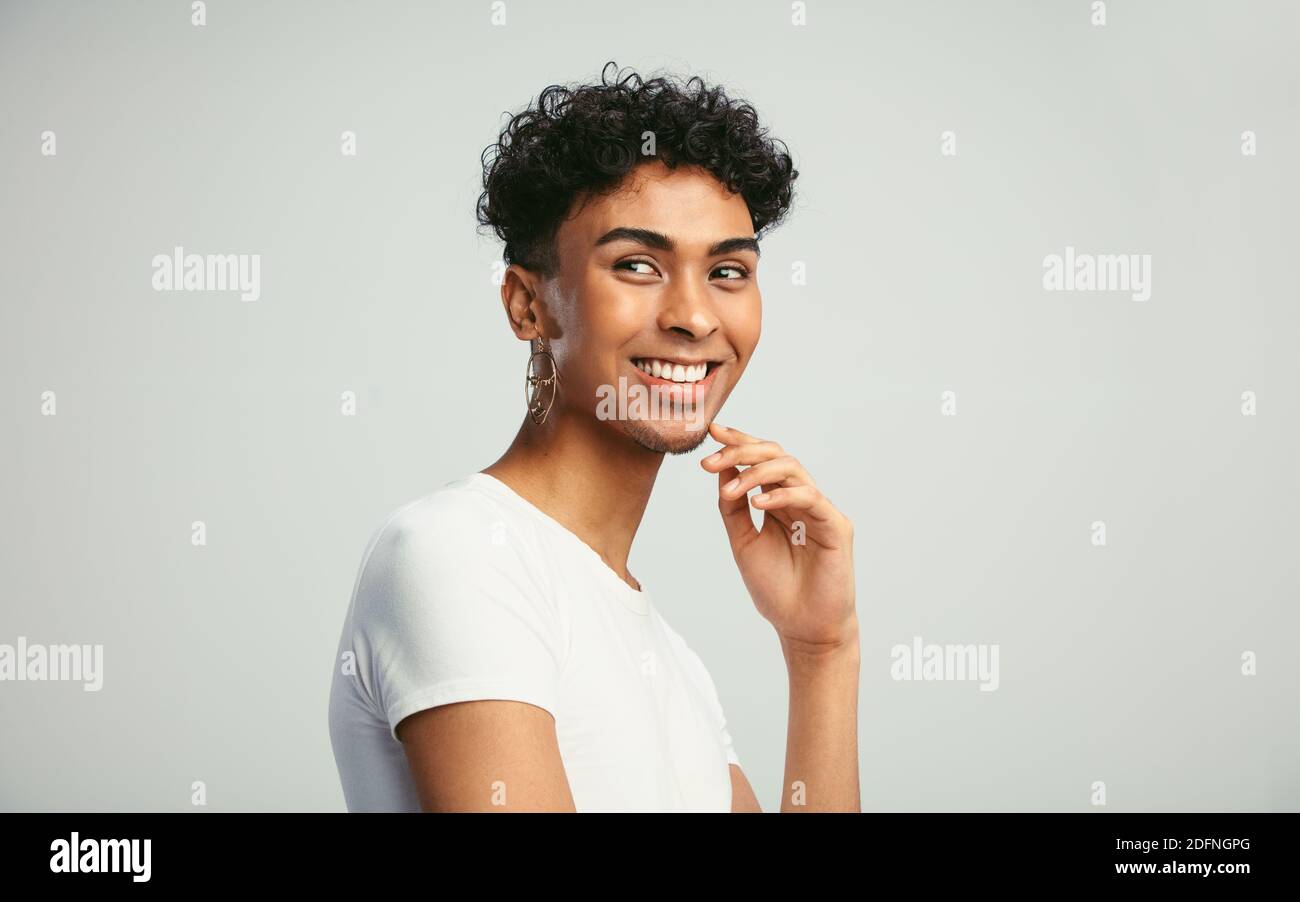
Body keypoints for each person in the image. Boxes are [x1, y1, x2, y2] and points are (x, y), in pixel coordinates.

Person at [328, 61, 859, 812]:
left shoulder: (672, 664)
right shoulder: (459, 553)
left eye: (729, 271)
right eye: (637, 264)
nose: (696, 317)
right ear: (526, 306)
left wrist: (821, 653)